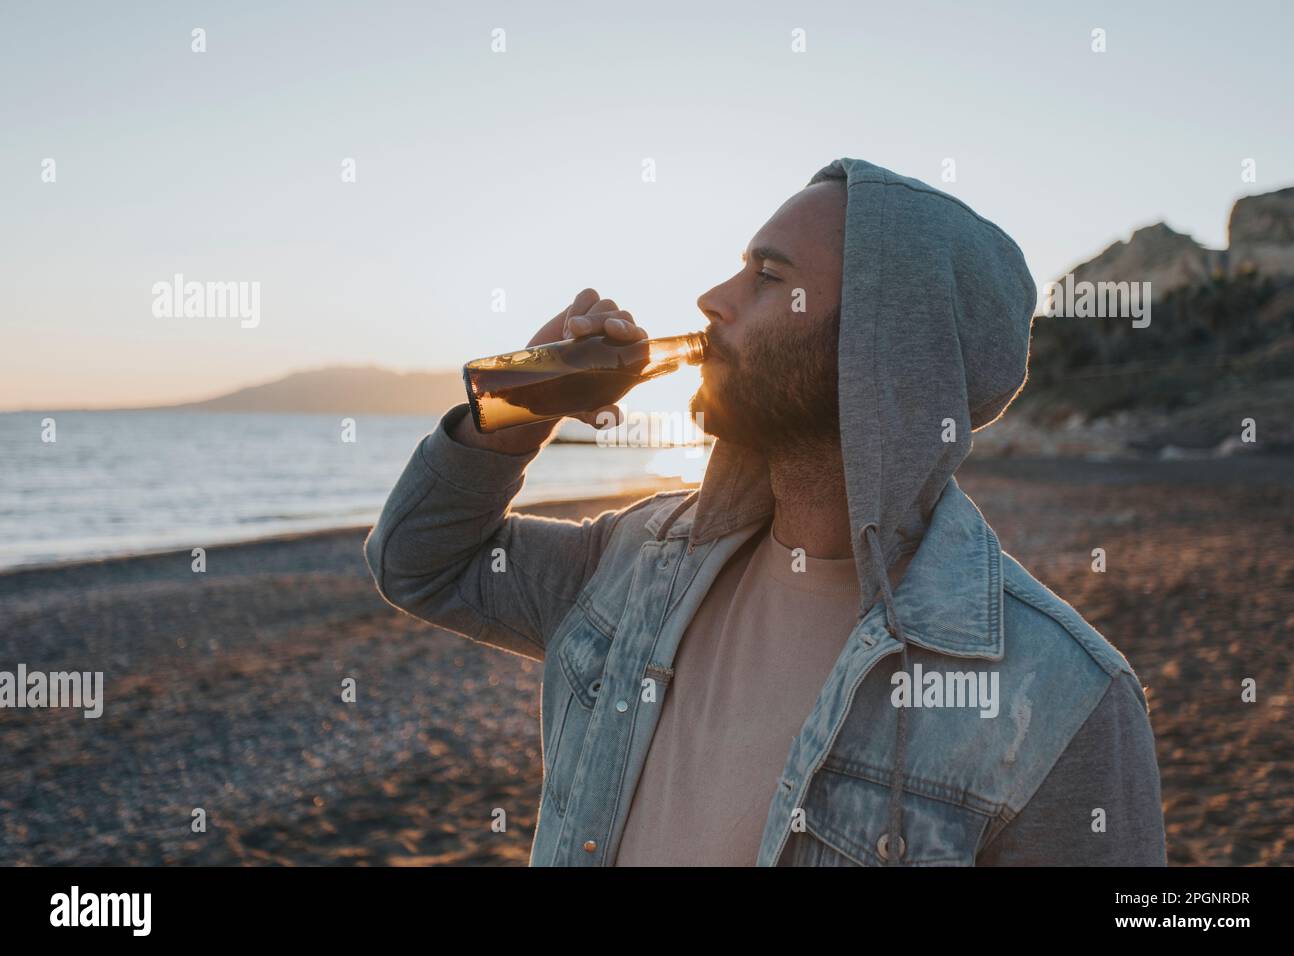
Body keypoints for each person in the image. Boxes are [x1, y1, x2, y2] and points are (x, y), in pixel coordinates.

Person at [364, 157, 1166, 866]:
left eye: (768, 276)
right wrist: (520, 404)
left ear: (881, 346)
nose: (712, 299)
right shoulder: (635, 559)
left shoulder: (1062, 693)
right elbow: (420, 563)